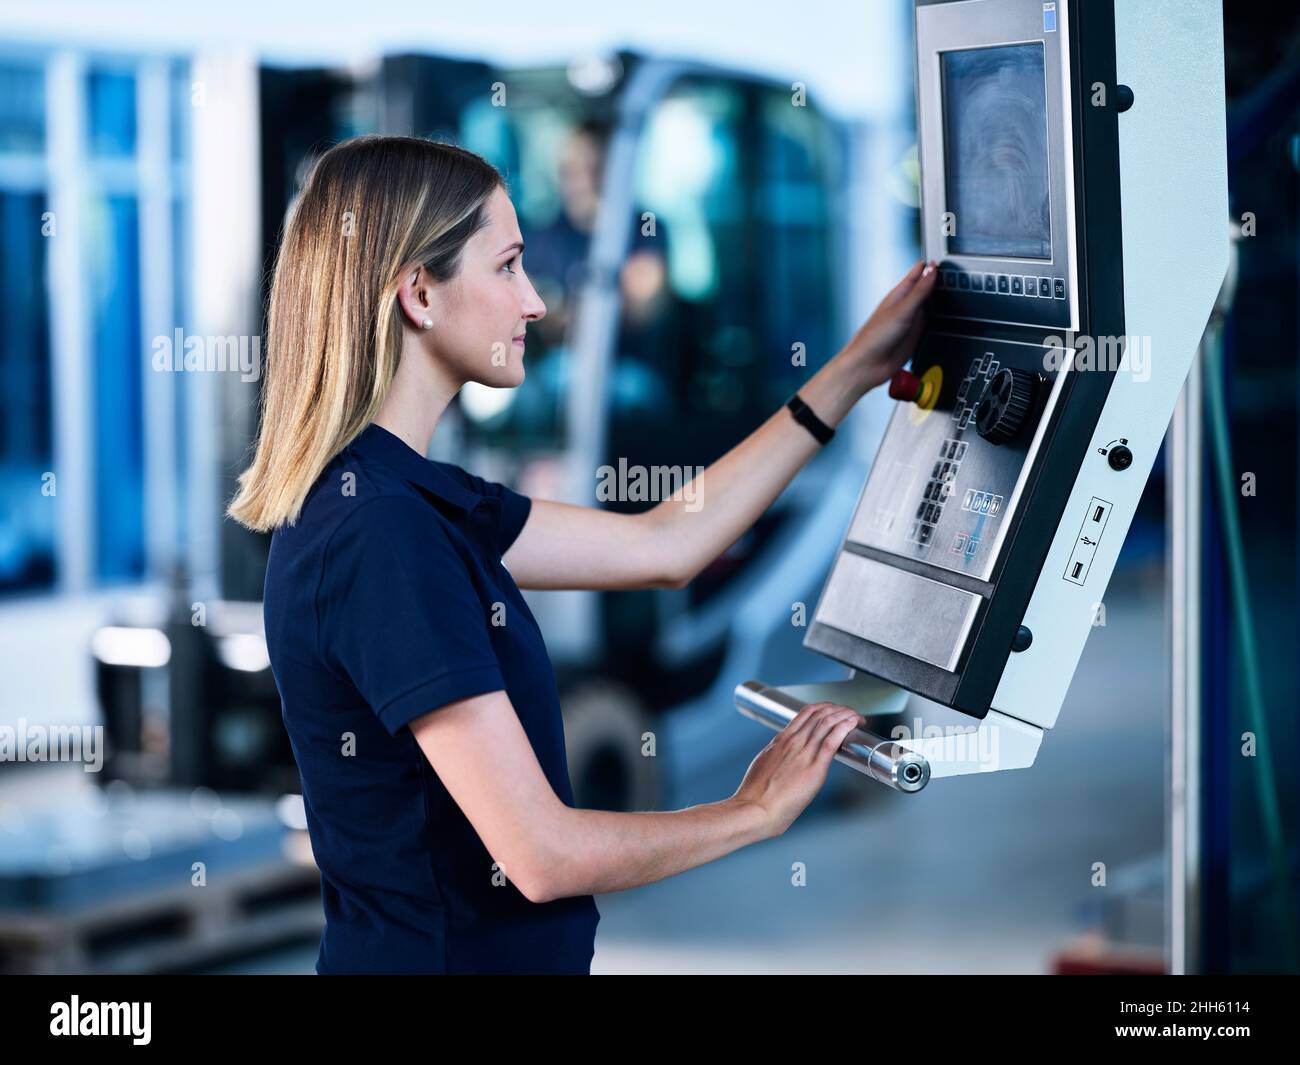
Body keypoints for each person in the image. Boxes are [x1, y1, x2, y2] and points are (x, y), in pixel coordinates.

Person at [227, 134, 938, 975]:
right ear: (419, 292)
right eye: (508, 267)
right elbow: (541, 853)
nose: (534, 302)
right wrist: (753, 812)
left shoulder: (413, 497)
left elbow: (669, 541)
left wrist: (852, 372)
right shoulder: (383, 533)